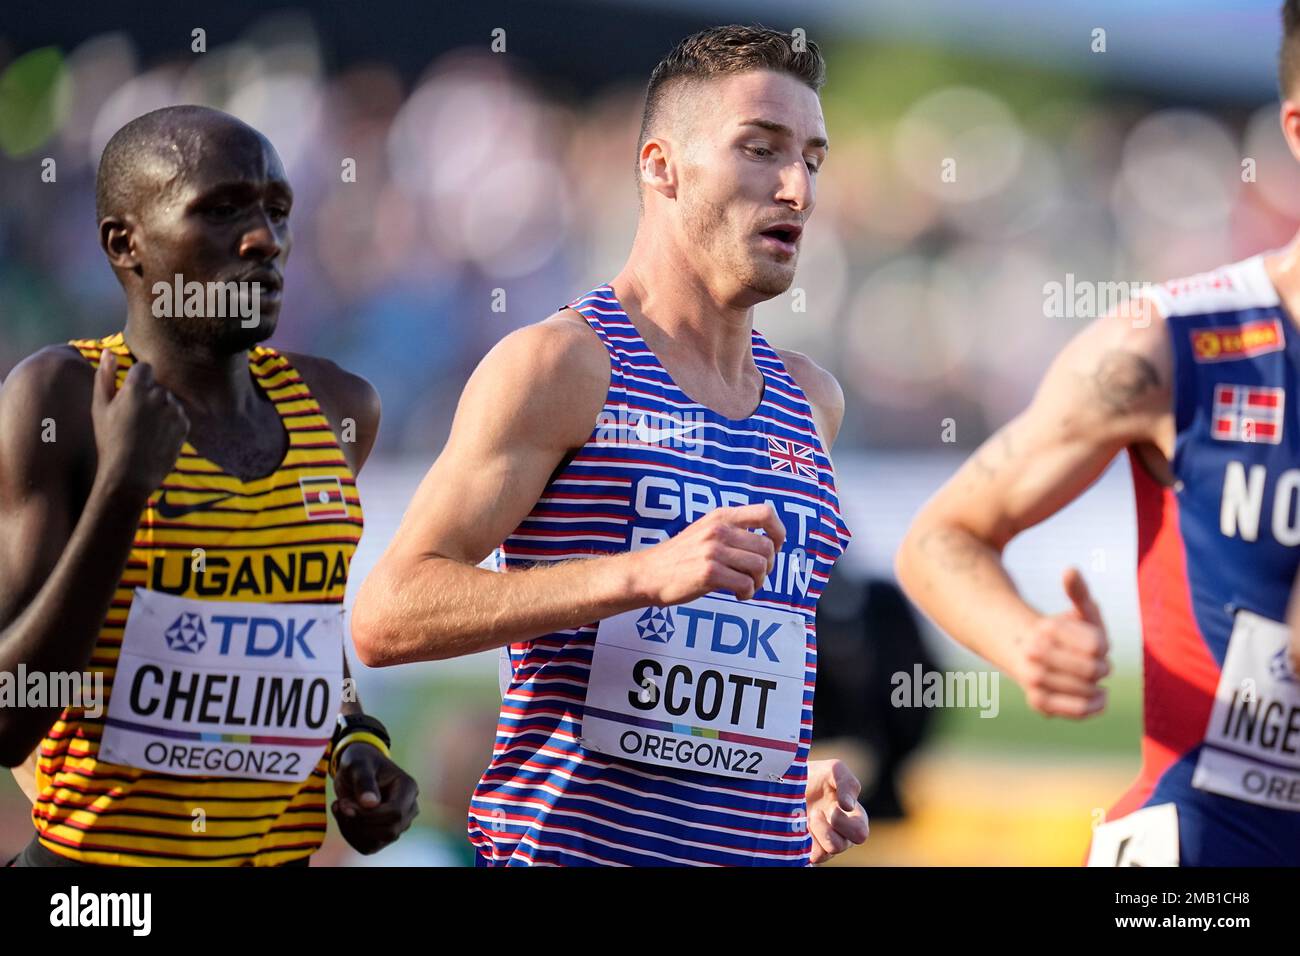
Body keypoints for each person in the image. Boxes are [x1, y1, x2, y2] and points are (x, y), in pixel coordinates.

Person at [352, 25, 868, 866]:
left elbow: (719, 685)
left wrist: (777, 787)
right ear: (660, 165)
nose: (796, 190)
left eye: (812, 159)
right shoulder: (561, 365)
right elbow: (387, 614)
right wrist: (638, 576)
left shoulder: (812, 402)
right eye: (760, 149)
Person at [895, 2, 1300, 866]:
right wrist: (1027, 643)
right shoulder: (1170, 345)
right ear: (1298, 131)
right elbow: (941, 537)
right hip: (1208, 845)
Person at [0, 105, 417, 866]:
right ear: (125, 243)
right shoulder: (61, 398)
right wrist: (121, 492)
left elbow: (299, 628)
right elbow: (7, 721)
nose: (264, 240)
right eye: (222, 210)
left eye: (276, 211)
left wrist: (355, 739)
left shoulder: (338, 406)